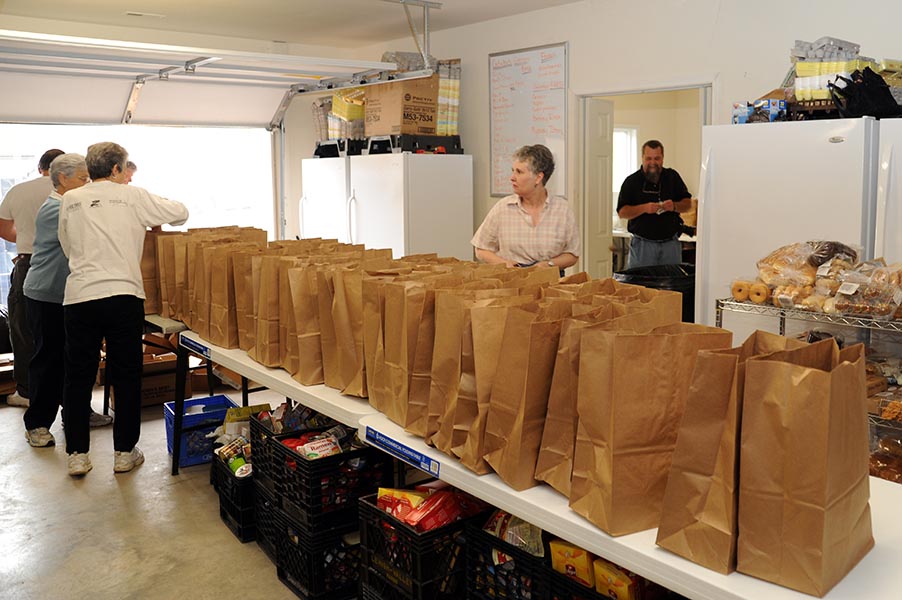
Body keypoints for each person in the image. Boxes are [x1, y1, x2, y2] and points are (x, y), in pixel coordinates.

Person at [59, 142, 188, 476]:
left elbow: (67, 244)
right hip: (123, 295)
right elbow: (180, 212)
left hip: (80, 296)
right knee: (126, 375)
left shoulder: (70, 199)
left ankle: (77, 454)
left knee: (78, 377)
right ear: (117, 169)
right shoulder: (132, 196)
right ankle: (124, 453)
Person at [22, 154, 116, 448]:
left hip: (71, 296)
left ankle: (77, 413)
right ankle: (37, 423)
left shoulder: (71, 204)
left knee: (75, 360)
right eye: (82, 179)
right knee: (48, 361)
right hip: (47, 295)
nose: (87, 184)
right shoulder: (57, 208)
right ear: (62, 179)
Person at [0, 148, 64, 407]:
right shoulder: (74, 192)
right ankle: (70, 396)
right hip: (68, 265)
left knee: (24, 328)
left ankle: (27, 392)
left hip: (30, 263)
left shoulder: (19, 190)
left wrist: (28, 239)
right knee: (69, 331)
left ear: (40, 168)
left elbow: (3, 228)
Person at [471, 144, 579, 274]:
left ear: (538, 178)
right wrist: (504, 264)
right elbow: (481, 249)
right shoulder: (502, 208)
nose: (512, 177)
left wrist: (549, 265)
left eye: (519, 172)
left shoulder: (562, 210)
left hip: (551, 284)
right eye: (513, 171)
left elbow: (572, 254)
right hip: (511, 283)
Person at [616, 140, 693, 269]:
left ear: (663, 158)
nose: (653, 163)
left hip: (670, 245)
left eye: (657, 158)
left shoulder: (673, 177)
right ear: (642, 158)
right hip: (642, 246)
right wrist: (644, 208)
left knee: (671, 285)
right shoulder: (631, 181)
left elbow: (688, 204)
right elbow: (622, 212)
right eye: (649, 158)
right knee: (641, 286)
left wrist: (674, 206)